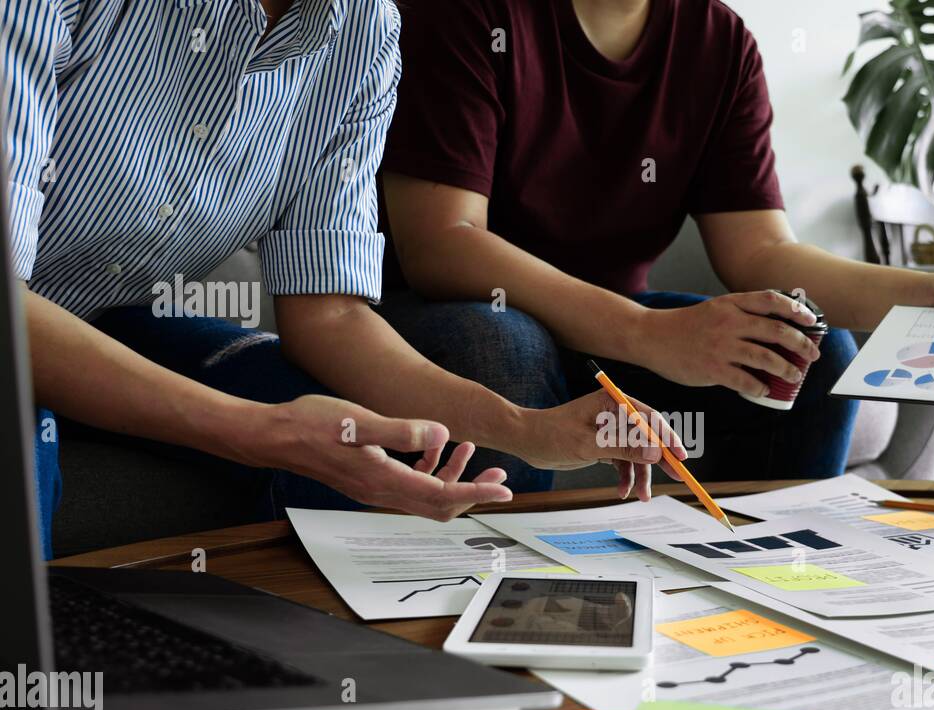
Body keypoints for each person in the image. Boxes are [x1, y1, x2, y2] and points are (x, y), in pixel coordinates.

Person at [6, 0, 681, 560]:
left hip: (114, 316)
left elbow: (328, 317)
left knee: (383, 455)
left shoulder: (364, 30)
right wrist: (258, 429)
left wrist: (530, 428)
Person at [379, 0, 934, 491]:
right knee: (505, 342)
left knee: (809, 348)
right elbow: (443, 244)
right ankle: (510, 598)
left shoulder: (718, 43)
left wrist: (933, 291)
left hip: (613, 335)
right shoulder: (465, 16)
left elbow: (761, 254)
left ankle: (771, 583)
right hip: (450, 318)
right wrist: (650, 334)